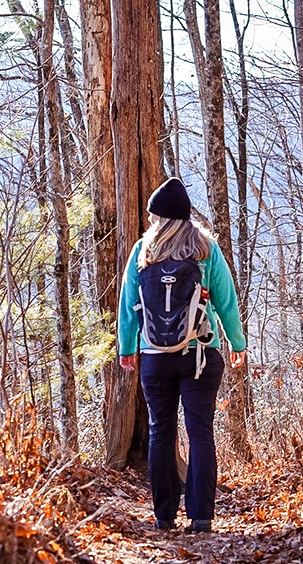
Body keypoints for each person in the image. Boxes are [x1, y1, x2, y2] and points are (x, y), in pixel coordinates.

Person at [117, 177, 246, 533]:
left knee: (161, 432)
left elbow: (128, 305)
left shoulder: (143, 251)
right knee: (200, 432)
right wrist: (237, 343)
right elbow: (226, 300)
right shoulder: (206, 249)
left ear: (158, 216)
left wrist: (127, 348)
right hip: (201, 355)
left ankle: (164, 516)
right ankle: (201, 516)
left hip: (155, 356)